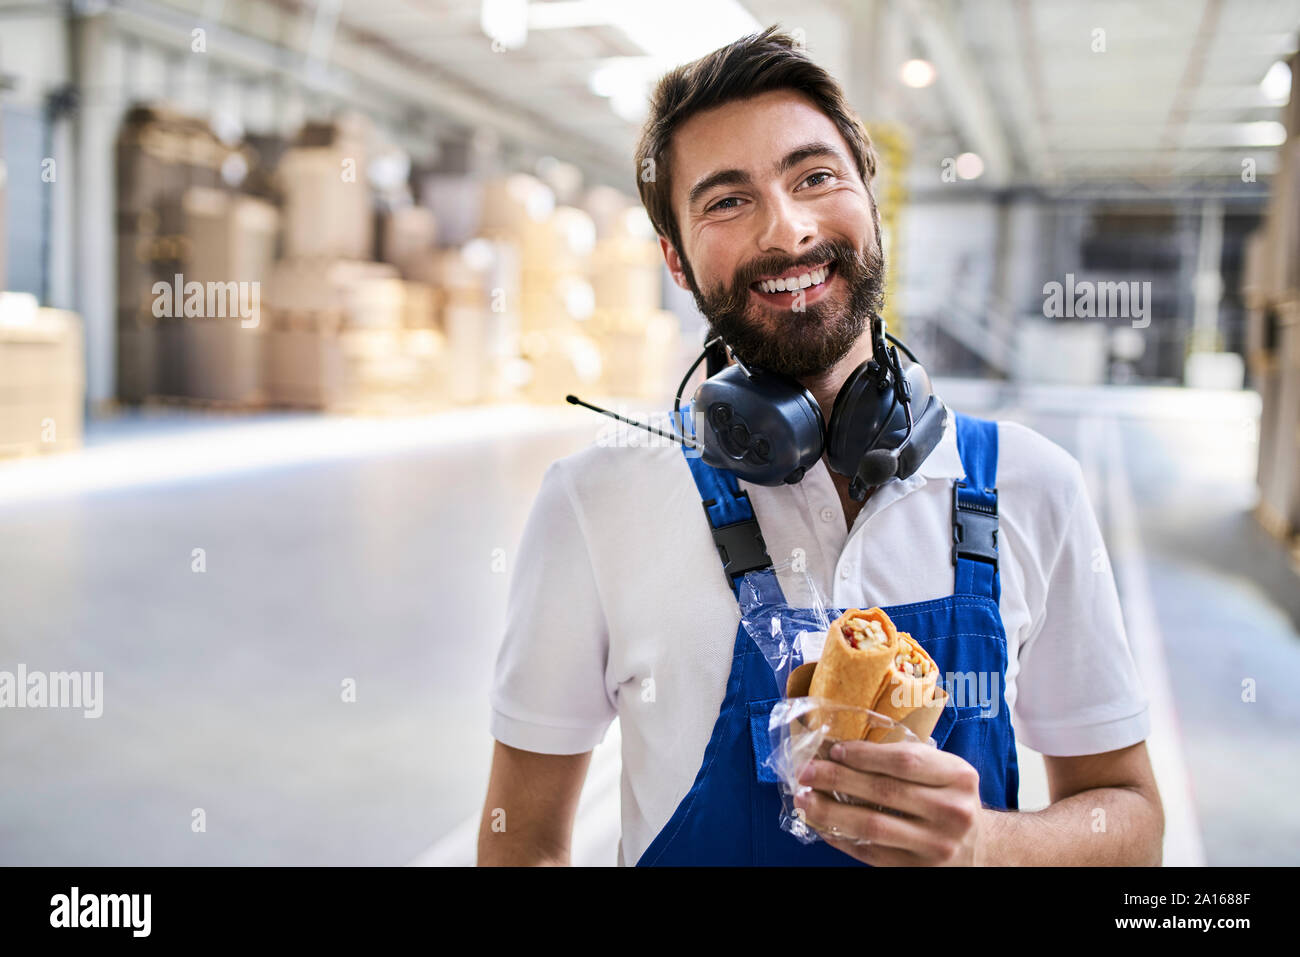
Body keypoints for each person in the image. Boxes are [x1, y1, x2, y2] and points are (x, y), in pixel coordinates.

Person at [477, 26, 1163, 866]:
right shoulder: (596, 502)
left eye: (815, 176)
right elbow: (522, 842)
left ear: (871, 198)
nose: (789, 229)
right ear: (677, 262)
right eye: (726, 200)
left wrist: (987, 845)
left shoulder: (1029, 484)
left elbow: (1130, 823)